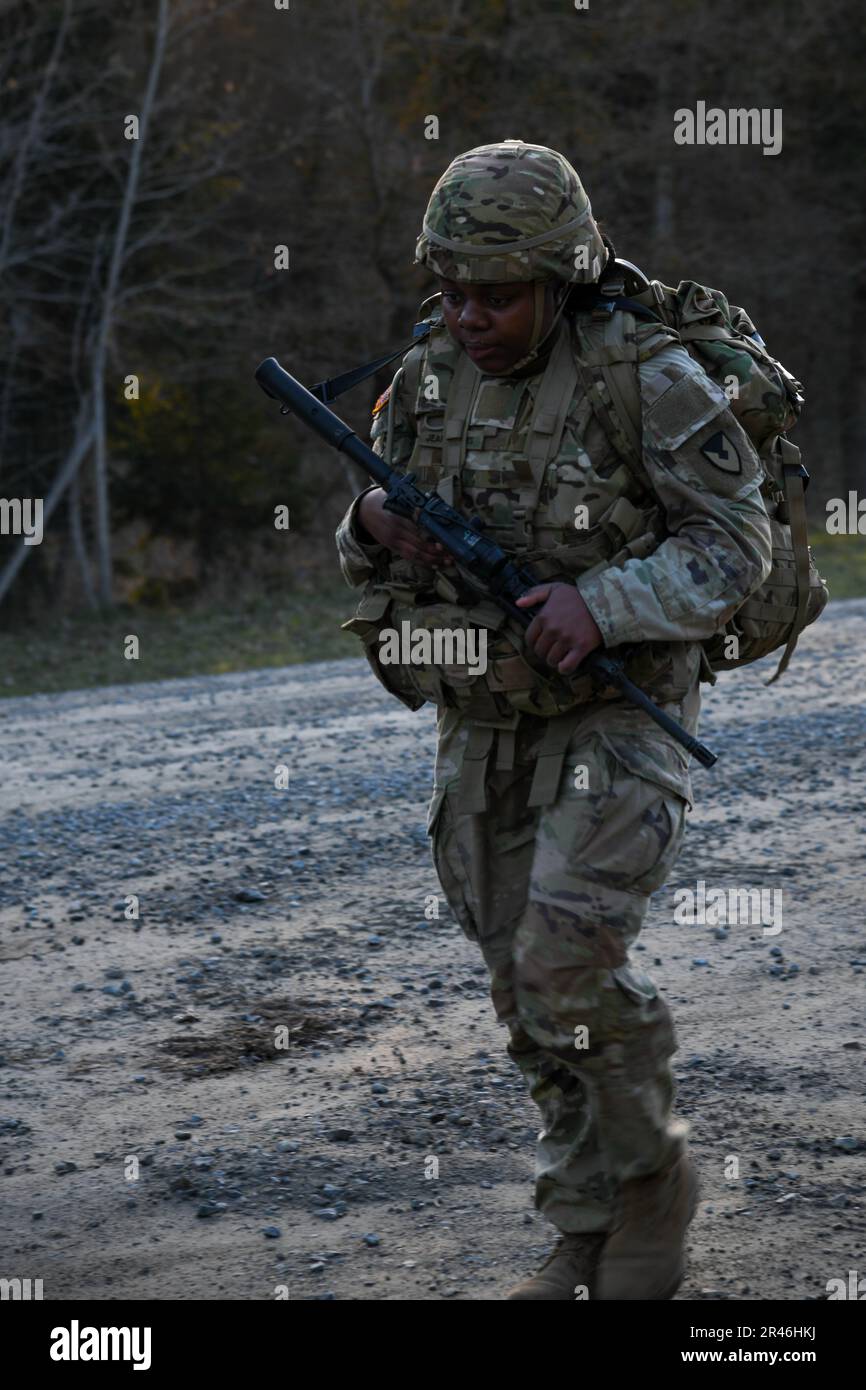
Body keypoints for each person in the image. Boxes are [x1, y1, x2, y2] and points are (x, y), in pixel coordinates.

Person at [335, 139, 773, 1300]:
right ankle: (578, 1225)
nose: (467, 315)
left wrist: (604, 599)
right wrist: (376, 525)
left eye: (496, 294)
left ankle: (648, 1187)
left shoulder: (646, 375)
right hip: (483, 715)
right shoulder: (426, 374)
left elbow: (735, 543)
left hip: (616, 717)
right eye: (451, 291)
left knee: (565, 963)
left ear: (560, 279)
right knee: (517, 989)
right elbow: (372, 521)